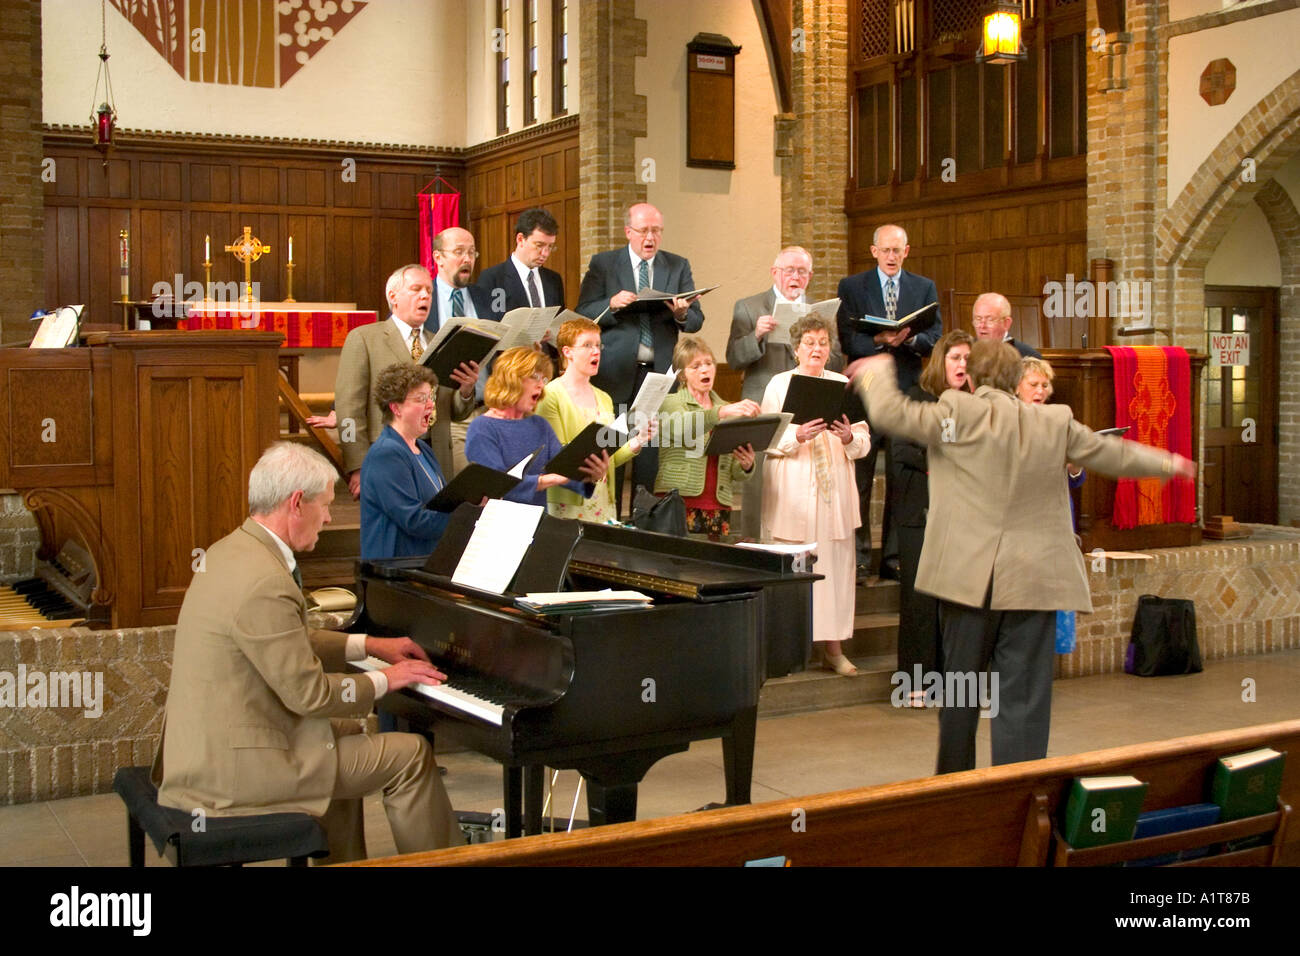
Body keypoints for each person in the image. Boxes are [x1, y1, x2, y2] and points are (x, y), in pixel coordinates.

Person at [850, 341, 1195, 773]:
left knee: (960, 692)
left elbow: (889, 414)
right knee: (1024, 699)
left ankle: (956, 789)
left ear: (971, 378)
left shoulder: (955, 413)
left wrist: (877, 370)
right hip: (1034, 580)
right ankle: (1020, 794)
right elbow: (1113, 453)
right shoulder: (1054, 422)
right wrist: (1170, 464)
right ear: (1018, 381)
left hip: (967, 580)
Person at [156, 441, 459, 863]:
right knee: (411, 755)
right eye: (325, 505)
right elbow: (310, 696)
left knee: (350, 732)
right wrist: (386, 680)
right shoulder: (266, 581)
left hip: (212, 739)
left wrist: (370, 645)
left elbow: (286, 640)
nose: (330, 516)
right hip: (233, 769)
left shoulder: (233, 550)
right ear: (296, 502)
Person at [761, 315, 871, 676]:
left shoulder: (843, 384)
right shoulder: (779, 385)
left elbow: (864, 441)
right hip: (793, 492)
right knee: (796, 572)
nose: (817, 349)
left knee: (834, 572)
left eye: (823, 342)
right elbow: (766, 439)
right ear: (796, 349)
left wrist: (848, 437)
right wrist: (797, 436)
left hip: (833, 495)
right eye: (809, 342)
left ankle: (834, 649)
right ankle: (790, 652)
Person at [576, 202, 704, 501]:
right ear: (628, 232)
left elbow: (696, 320)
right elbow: (582, 312)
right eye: (644, 230)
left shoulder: (677, 265)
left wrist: (682, 314)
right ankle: (609, 527)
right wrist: (611, 303)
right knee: (613, 448)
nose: (651, 238)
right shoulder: (604, 264)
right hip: (615, 374)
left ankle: (643, 528)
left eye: (657, 231)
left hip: (658, 375)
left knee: (649, 457)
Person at [836, 224, 941, 581]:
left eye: (898, 250)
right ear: (874, 251)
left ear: (907, 251)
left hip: (906, 388)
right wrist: (881, 340)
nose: (892, 256)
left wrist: (908, 342)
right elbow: (847, 339)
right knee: (861, 476)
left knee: (901, 475)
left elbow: (934, 336)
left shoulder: (923, 287)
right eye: (886, 250)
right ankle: (861, 556)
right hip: (864, 391)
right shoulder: (852, 287)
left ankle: (893, 558)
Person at [727, 245, 843, 540]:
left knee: (802, 475)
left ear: (810, 276)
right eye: (789, 270)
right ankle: (754, 544)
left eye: (802, 272)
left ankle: (803, 542)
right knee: (760, 479)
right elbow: (733, 358)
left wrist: (819, 347)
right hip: (763, 398)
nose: (795, 277)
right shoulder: (750, 307)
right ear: (774, 273)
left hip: (808, 398)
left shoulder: (821, 312)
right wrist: (756, 335)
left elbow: (839, 358)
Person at [335, 263, 478, 497]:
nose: (425, 296)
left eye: (429, 291)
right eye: (416, 289)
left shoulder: (441, 343)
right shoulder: (364, 339)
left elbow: (454, 411)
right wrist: (356, 465)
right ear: (393, 296)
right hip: (388, 454)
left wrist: (465, 390)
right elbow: (348, 409)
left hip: (437, 456)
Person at [891, 330, 974, 706]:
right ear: (941, 360)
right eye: (955, 358)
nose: (961, 365)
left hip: (963, 514)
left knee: (956, 601)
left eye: (967, 360)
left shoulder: (977, 404)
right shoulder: (917, 399)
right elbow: (901, 452)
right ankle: (915, 683)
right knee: (919, 600)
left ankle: (952, 682)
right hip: (920, 511)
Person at [536, 317, 652, 522]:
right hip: (569, 502)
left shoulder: (604, 397)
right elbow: (556, 457)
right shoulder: (551, 395)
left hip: (603, 501)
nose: (596, 351)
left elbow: (611, 457)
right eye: (587, 345)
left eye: (598, 345)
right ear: (567, 352)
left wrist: (638, 440)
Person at [465, 346, 609, 507]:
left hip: (538, 523)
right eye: (535, 377)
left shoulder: (540, 425)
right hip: (497, 524)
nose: (541, 385)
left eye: (544, 379)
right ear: (511, 379)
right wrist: (549, 479)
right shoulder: (482, 428)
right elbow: (496, 485)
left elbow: (564, 468)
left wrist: (590, 475)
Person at [654, 335, 761, 538]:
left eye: (709, 363)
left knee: (712, 567)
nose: (705, 370)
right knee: (679, 566)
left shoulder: (726, 408)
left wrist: (746, 465)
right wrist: (720, 413)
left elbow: (735, 472)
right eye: (695, 366)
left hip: (718, 504)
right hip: (679, 501)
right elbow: (683, 427)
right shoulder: (670, 402)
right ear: (682, 375)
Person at [359, 364, 455, 559]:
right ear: (396, 408)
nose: (430, 405)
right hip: (397, 569)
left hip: (425, 563)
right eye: (421, 399)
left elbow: (441, 504)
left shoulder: (423, 448)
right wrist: (466, 519)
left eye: (431, 398)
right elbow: (414, 520)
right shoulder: (386, 453)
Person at [1018, 356, 1086, 529]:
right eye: (1033, 385)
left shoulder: (1059, 420)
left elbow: (1076, 481)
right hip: (1023, 515)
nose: (1040, 391)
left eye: (1045, 385)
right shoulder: (1006, 421)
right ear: (1016, 387)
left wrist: (1075, 468)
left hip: (1057, 515)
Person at [475, 208, 566, 314]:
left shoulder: (554, 280)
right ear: (520, 239)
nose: (545, 253)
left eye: (550, 246)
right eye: (539, 245)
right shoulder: (493, 279)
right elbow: (489, 323)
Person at [972, 291, 1042, 359]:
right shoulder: (967, 352)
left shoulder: (1027, 356)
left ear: (1006, 323)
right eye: (978, 319)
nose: (982, 326)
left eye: (990, 320)